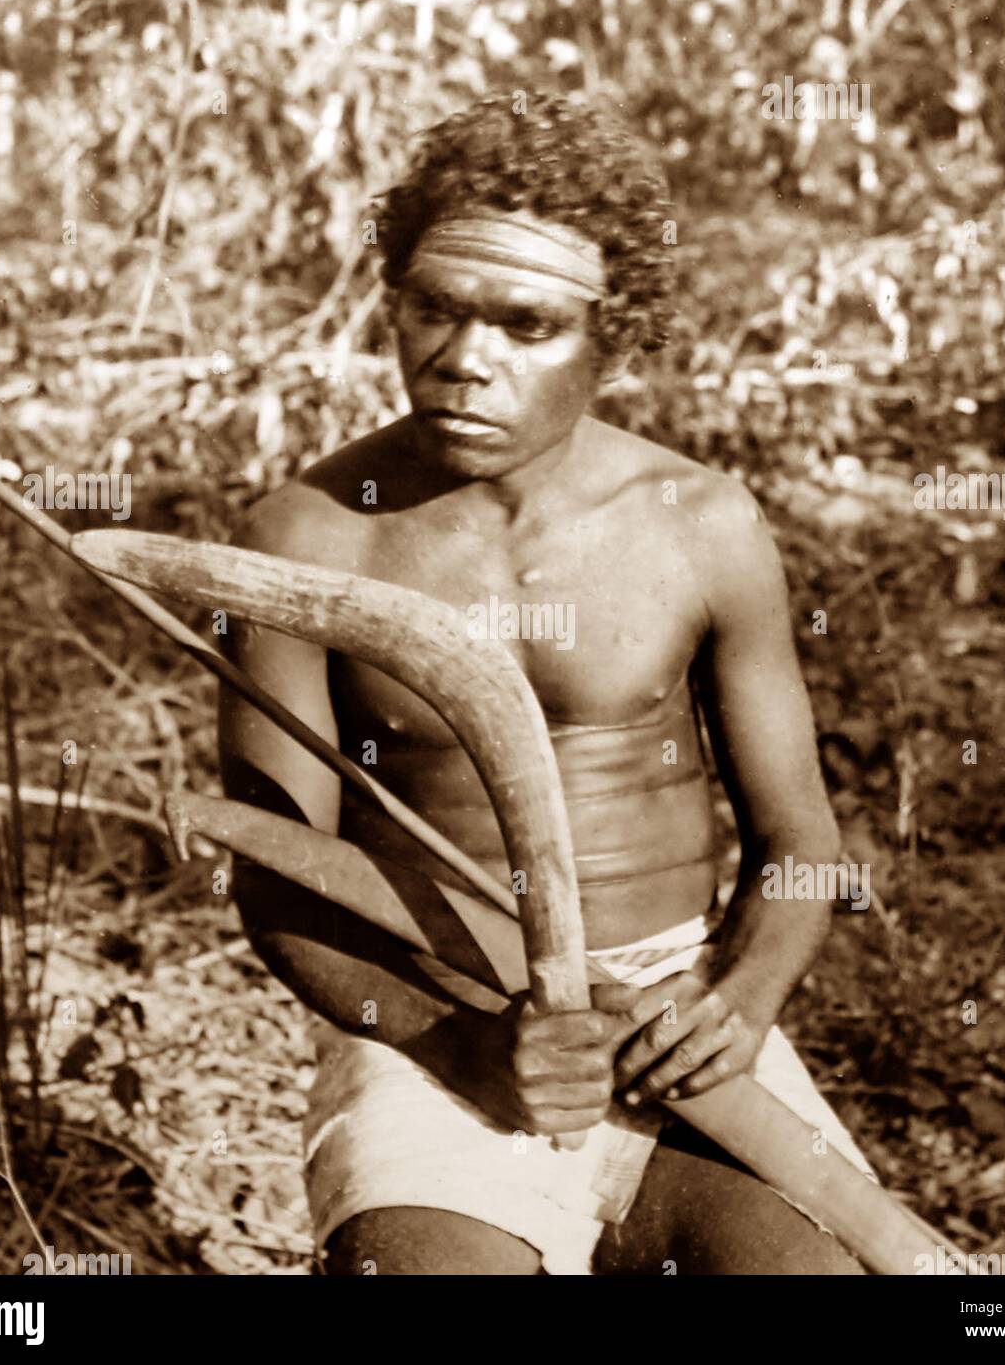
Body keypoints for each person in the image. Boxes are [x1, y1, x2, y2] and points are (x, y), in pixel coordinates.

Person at [218, 93, 873, 1275]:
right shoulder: (308, 539)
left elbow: (801, 841)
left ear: (613, 340)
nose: (464, 360)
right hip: (441, 1022)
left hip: (681, 1030)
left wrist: (739, 999)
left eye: (527, 325)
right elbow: (277, 875)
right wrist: (455, 1040)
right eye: (434, 308)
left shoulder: (700, 525)